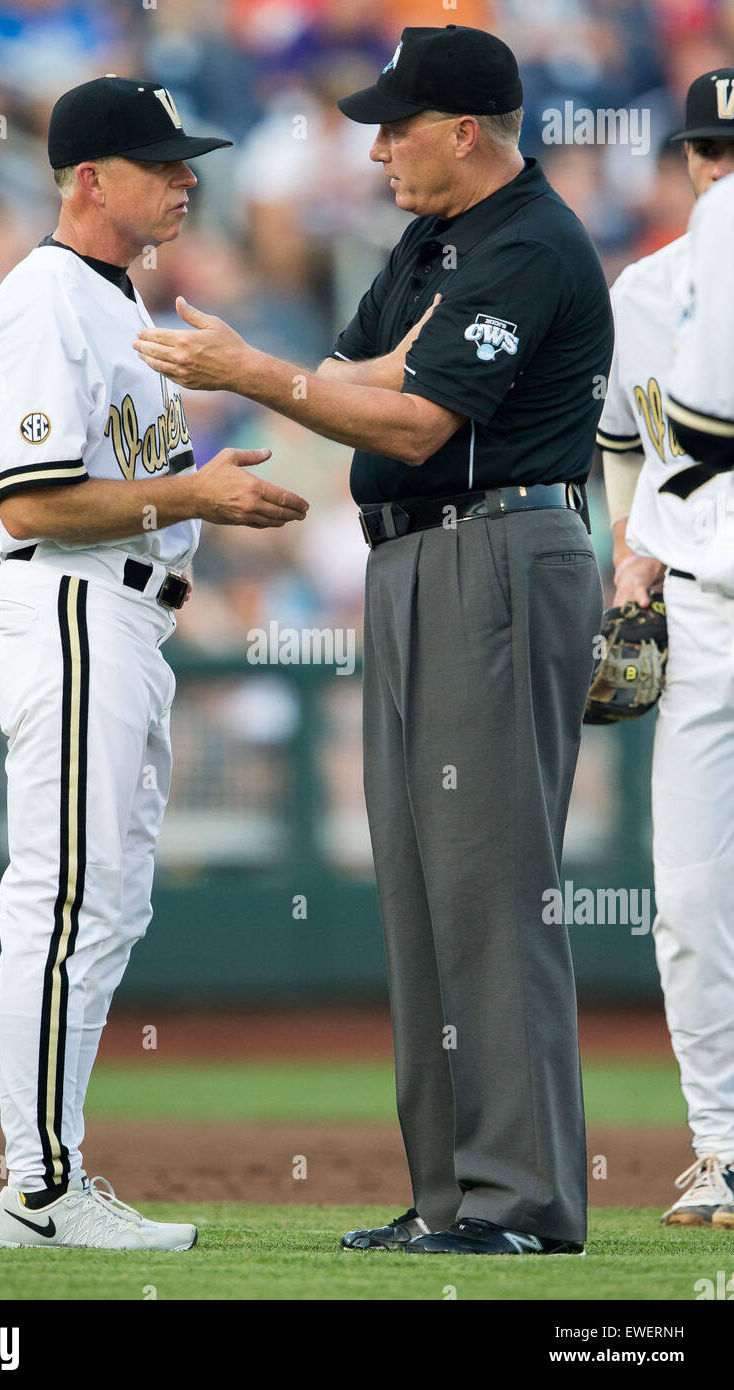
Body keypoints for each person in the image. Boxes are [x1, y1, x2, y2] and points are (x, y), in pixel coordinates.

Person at [135, 25, 612, 1255]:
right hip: (415, 556)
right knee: (415, 882)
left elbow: (402, 419)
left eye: (398, 122)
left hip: (499, 548)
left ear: (465, 129)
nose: (378, 140)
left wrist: (253, 370)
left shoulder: (529, 244)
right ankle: (452, 1193)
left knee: (488, 887)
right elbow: (355, 371)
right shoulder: (429, 242)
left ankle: (517, 1203)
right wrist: (319, 382)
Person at [0, 76, 308, 1251]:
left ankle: (48, 1178)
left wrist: (205, 484)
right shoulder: (43, 299)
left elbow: (119, 488)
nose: (186, 178)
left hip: (125, 619)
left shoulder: (119, 305)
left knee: (105, 906)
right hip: (69, 606)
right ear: (87, 178)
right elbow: (31, 498)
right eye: (161, 162)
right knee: (64, 901)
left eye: (187, 161)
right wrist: (191, 489)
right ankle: (41, 1189)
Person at [597, 70, 734, 1227]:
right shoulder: (639, 294)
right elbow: (620, 449)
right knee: (687, 899)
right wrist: (630, 547)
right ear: (686, 162)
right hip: (693, 611)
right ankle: (720, 1146)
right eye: (709, 150)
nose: (721, 169)